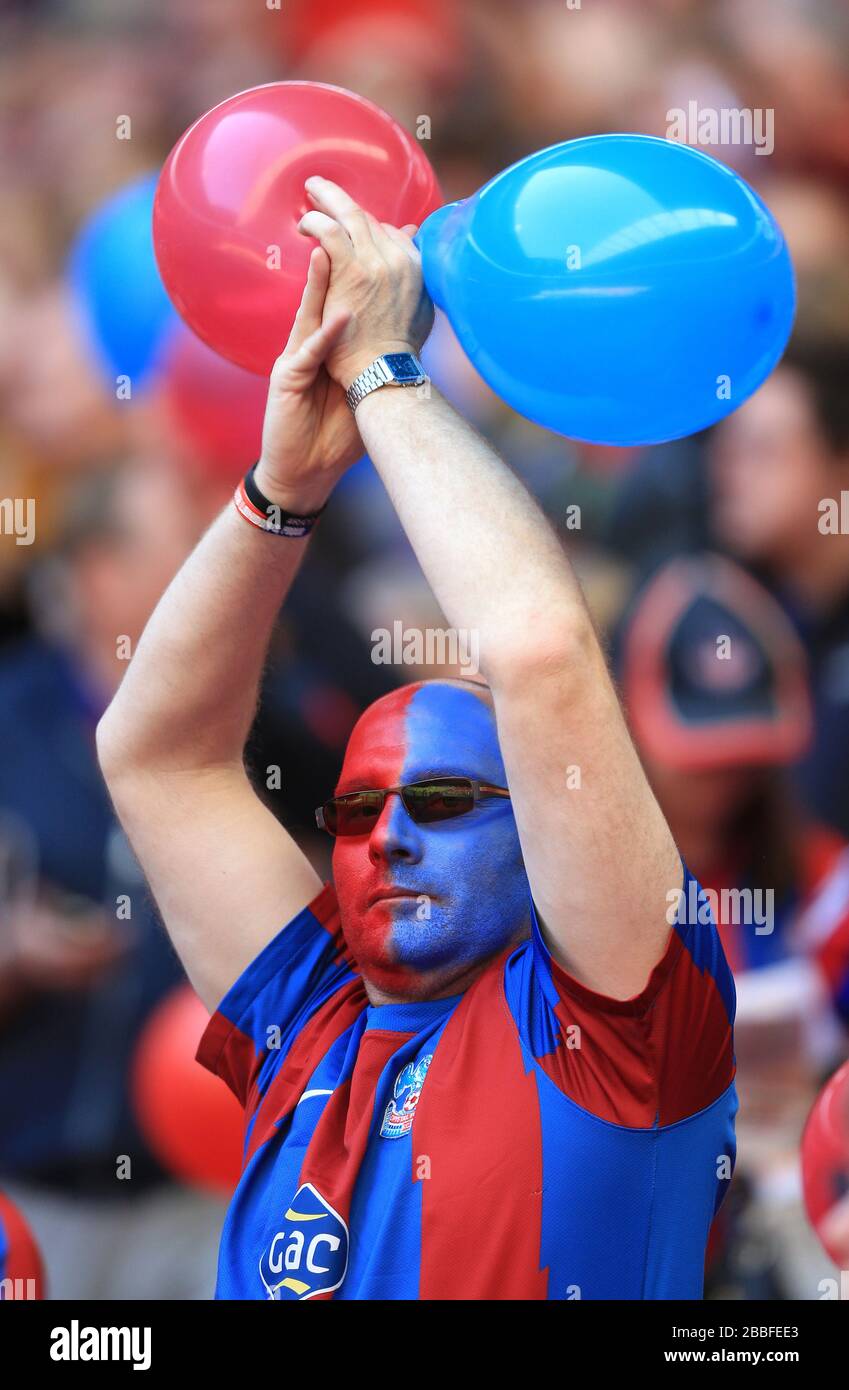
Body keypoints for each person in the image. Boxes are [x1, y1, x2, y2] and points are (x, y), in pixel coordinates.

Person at [97, 178, 737, 1301]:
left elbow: (539, 653)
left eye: (443, 803)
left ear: (540, 828)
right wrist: (281, 489)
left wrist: (389, 379)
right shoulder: (312, 1014)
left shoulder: (619, 1016)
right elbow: (158, 755)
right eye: (356, 810)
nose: (386, 835)